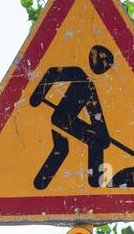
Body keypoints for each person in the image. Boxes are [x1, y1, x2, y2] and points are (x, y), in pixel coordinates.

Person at [29, 45, 115, 190]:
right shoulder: (79, 73)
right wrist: (37, 96)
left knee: (96, 141)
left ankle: (94, 181)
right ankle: (39, 185)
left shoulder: (90, 85)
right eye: (103, 59)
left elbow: (95, 113)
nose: (105, 65)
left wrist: (103, 136)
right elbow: (51, 73)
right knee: (63, 147)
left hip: (65, 119)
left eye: (107, 63)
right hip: (61, 117)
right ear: (94, 56)